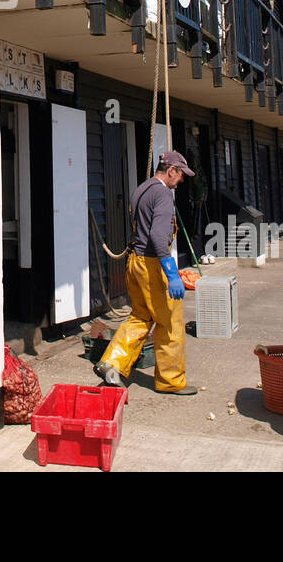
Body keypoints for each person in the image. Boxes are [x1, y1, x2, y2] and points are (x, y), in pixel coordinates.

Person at [94, 150, 198, 395]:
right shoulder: (162, 194)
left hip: (135, 262)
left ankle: (112, 363)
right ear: (171, 170)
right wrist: (172, 273)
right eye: (181, 174)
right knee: (170, 323)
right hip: (152, 265)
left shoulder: (141, 189)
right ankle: (170, 381)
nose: (181, 180)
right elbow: (159, 237)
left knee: (141, 316)